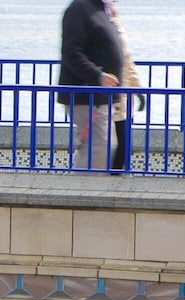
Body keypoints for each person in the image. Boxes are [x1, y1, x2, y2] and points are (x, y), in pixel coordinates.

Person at [57, 0, 128, 172]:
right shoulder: (80, 9)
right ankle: (85, 187)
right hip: (87, 97)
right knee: (98, 147)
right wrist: (97, 76)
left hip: (101, 97)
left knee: (102, 147)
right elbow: (71, 52)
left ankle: (88, 184)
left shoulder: (101, 10)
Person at [108, 1, 145, 172]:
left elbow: (126, 60)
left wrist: (137, 88)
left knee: (123, 140)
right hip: (111, 91)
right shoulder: (103, 23)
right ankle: (112, 175)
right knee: (118, 140)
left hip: (120, 91)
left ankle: (114, 174)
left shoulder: (114, 24)